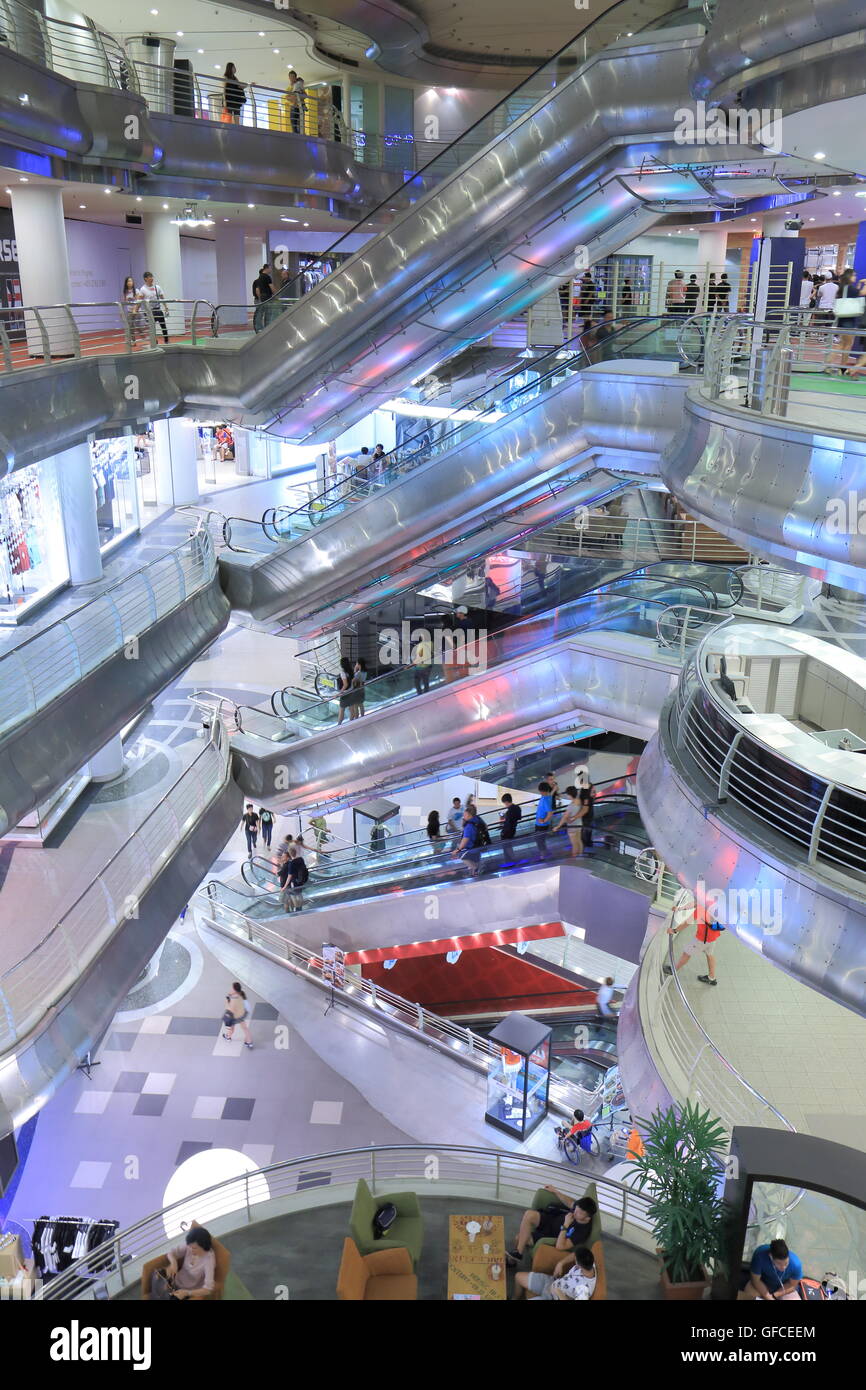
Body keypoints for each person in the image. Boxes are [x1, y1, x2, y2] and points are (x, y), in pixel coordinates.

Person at [506, 1185, 598, 1266]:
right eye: (576, 1209)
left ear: (587, 1218)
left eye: (580, 1213)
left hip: (550, 1235)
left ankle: (512, 1261)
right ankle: (518, 1253)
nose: (575, 1212)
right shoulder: (578, 1209)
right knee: (529, 1214)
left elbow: (560, 1246)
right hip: (550, 1220)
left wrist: (566, 1224)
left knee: (518, 1238)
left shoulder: (582, 1232)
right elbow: (570, 1202)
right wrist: (555, 1191)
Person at [664, 905, 724, 985]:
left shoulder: (701, 908)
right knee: (709, 954)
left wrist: (674, 930)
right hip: (713, 937)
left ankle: (673, 970)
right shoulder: (712, 904)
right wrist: (679, 909)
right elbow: (694, 903)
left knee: (687, 953)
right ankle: (711, 978)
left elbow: (687, 923)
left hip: (703, 939)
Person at [151, 1227, 216, 1300]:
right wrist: (173, 1263)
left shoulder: (208, 1260)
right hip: (175, 1281)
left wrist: (187, 1293)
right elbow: (171, 1253)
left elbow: (208, 1289)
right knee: (156, 1275)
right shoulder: (191, 1245)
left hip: (187, 1290)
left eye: (194, 1248)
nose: (190, 1250)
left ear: (203, 1246)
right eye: (189, 1246)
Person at [516, 1244, 597, 1302]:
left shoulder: (584, 1290)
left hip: (553, 1297)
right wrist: (561, 1263)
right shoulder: (589, 1261)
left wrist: (559, 1292)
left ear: (579, 1265)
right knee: (518, 1277)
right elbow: (575, 1254)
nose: (574, 1258)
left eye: (575, 1259)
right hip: (552, 1281)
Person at [451, 806, 486, 877]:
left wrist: (458, 850)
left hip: (472, 848)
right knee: (475, 861)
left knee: (461, 856)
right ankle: (475, 874)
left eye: (465, 815)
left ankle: (476, 869)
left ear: (469, 815)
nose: (463, 817)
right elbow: (485, 827)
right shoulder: (478, 819)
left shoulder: (469, 826)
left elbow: (465, 840)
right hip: (480, 845)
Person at [138, 271, 169, 343]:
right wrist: (135, 310)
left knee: (163, 326)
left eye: (152, 277)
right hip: (149, 311)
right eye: (149, 277)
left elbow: (162, 298)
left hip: (158, 310)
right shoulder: (143, 289)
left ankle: (166, 341)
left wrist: (166, 307)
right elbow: (139, 301)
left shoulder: (157, 287)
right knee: (152, 328)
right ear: (145, 279)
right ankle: (155, 343)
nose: (151, 278)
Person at [555, 785, 585, 858]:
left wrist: (558, 826)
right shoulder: (579, 800)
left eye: (567, 794)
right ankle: (581, 856)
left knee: (574, 844)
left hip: (572, 827)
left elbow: (564, 818)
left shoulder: (571, 806)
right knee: (579, 841)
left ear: (569, 795)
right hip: (579, 824)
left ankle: (575, 858)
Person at [222, 981, 253, 1048]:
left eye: (232, 988)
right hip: (242, 1015)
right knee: (245, 1028)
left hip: (234, 1017)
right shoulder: (241, 994)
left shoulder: (233, 1000)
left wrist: (227, 1002)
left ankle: (228, 1037)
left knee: (231, 1029)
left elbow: (230, 1010)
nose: (231, 989)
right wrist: (230, 995)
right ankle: (249, 1042)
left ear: (235, 990)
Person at [534, 779, 555, 854]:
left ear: (542, 791)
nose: (540, 792)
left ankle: (543, 855)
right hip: (540, 824)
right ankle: (544, 853)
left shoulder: (546, 799)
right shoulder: (548, 796)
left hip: (541, 825)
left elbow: (550, 813)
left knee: (539, 840)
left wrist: (543, 821)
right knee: (540, 840)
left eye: (540, 791)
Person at [122, 275, 141, 343]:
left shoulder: (136, 290)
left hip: (136, 311)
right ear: (126, 283)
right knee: (130, 327)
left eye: (131, 281)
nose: (129, 282)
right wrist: (121, 312)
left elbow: (138, 301)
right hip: (129, 311)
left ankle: (145, 337)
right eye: (128, 281)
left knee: (138, 326)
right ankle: (133, 341)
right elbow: (124, 302)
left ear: (133, 282)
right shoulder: (125, 292)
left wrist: (134, 310)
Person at [286, 69, 306, 134]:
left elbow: (305, 95)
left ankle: (300, 137)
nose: (292, 78)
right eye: (290, 77)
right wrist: (295, 98)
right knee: (294, 125)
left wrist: (295, 97)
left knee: (300, 124)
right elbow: (287, 97)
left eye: (293, 77)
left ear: (295, 77)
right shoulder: (289, 88)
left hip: (299, 107)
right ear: (289, 78)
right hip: (294, 107)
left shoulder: (299, 85)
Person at [336, 656, 354, 726]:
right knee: (351, 709)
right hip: (351, 691)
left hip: (345, 693)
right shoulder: (350, 670)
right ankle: (351, 723)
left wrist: (339, 693)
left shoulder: (343, 673)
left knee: (341, 710)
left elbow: (345, 684)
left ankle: (339, 725)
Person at [578, 781, 595, 854]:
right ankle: (588, 845)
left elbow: (585, 809)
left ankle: (584, 848)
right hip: (590, 814)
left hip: (586, 816)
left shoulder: (585, 794)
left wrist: (576, 816)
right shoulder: (589, 788)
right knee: (588, 831)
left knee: (584, 832)